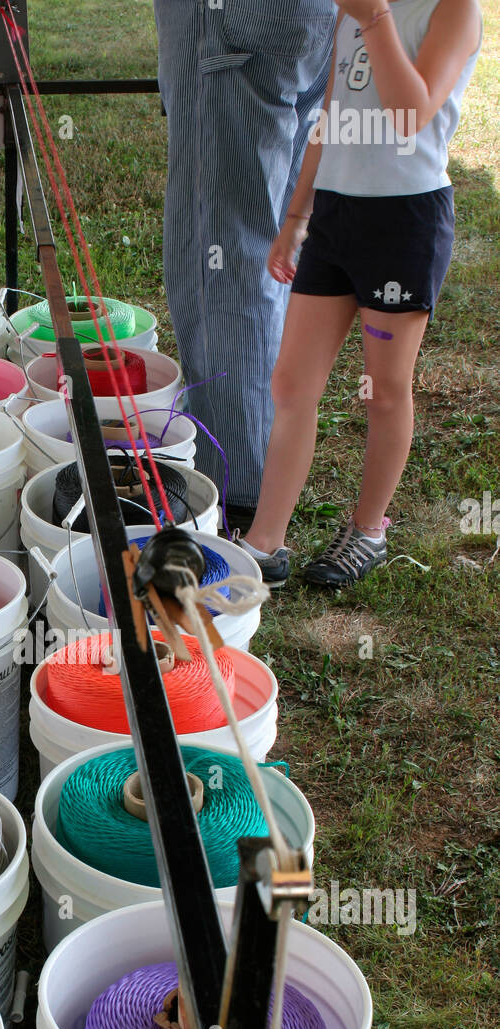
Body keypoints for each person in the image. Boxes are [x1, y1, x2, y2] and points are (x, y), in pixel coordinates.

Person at [238, 0, 482, 588]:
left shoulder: (454, 10)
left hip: (404, 223)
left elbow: (410, 115)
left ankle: (369, 528)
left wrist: (374, 18)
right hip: (337, 217)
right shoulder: (359, 9)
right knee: (292, 383)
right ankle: (265, 543)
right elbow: (331, 115)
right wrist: (298, 215)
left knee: (384, 391)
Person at [153, 0, 338, 531]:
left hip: (238, 21)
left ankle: (234, 496)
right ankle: (262, 468)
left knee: (222, 266)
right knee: (272, 247)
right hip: (304, 18)